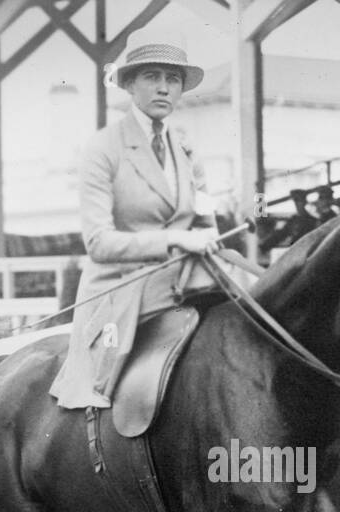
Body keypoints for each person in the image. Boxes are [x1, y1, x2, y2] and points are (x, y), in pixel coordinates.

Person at [49, 41, 216, 410]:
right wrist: (174, 239)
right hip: (121, 288)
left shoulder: (187, 150)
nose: (163, 87)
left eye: (173, 79)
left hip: (186, 279)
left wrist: (209, 239)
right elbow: (98, 243)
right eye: (151, 77)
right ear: (129, 85)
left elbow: (206, 220)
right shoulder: (104, 148)